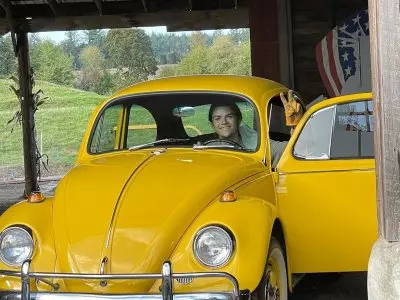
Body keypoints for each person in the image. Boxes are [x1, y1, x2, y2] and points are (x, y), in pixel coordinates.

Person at [208, 90, 304, 168]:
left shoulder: (257, 143)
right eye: (217, 118)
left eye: (229, 116)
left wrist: (296, 125)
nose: (224, 122)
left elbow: (290, 149)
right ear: (212, 124)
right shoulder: (205, 150)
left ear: (239, 120)